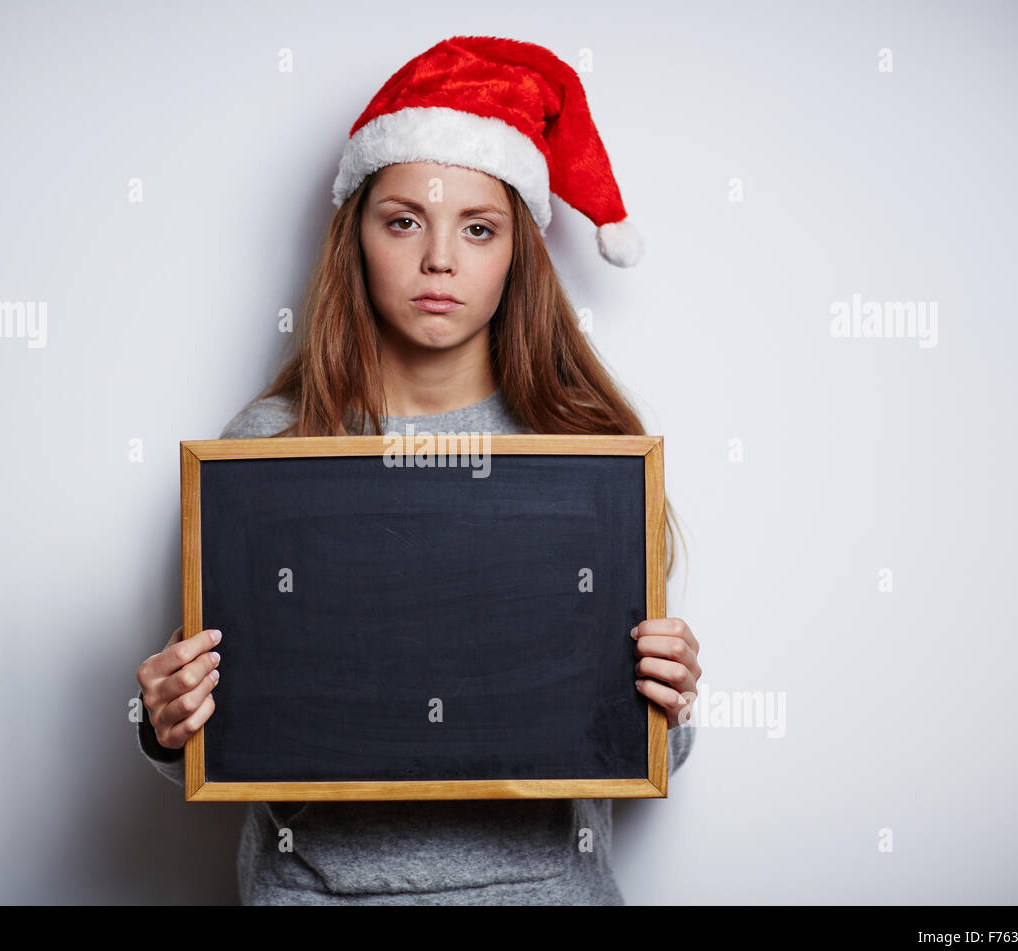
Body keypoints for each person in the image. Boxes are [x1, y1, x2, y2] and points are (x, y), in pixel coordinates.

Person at [135, 34, 703, 905]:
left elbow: (636, 739)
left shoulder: (586, 453)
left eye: (479, 228)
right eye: (404, 220)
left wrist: (670, 696)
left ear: (518, 253)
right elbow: (217, 735)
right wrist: (164, 724)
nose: (440, 258)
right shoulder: (268, 446)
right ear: (356, 235)